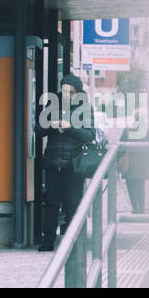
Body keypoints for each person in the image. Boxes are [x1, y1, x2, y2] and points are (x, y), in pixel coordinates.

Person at [35, 72, 94, 251]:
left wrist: (70, 128)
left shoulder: (85, 108)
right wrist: (50, 125)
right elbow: (38, 129)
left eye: (71, 92)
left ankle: (73, 241)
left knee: (73, 203)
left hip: (74, 163)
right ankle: (48, 241)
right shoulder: (53, 105)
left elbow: (90, 135)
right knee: (52, 202)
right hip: (54, 162)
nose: (66, 95)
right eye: (64, 90)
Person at [117, 110, 149, 215]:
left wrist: (119, 162)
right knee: (140, 189)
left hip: (130, 166)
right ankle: (141, 211)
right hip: (142, 166)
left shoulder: (128, 131)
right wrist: (148, 163)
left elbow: (120, 149)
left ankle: (135, 210)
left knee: (131, 188)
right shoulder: (148, 133)